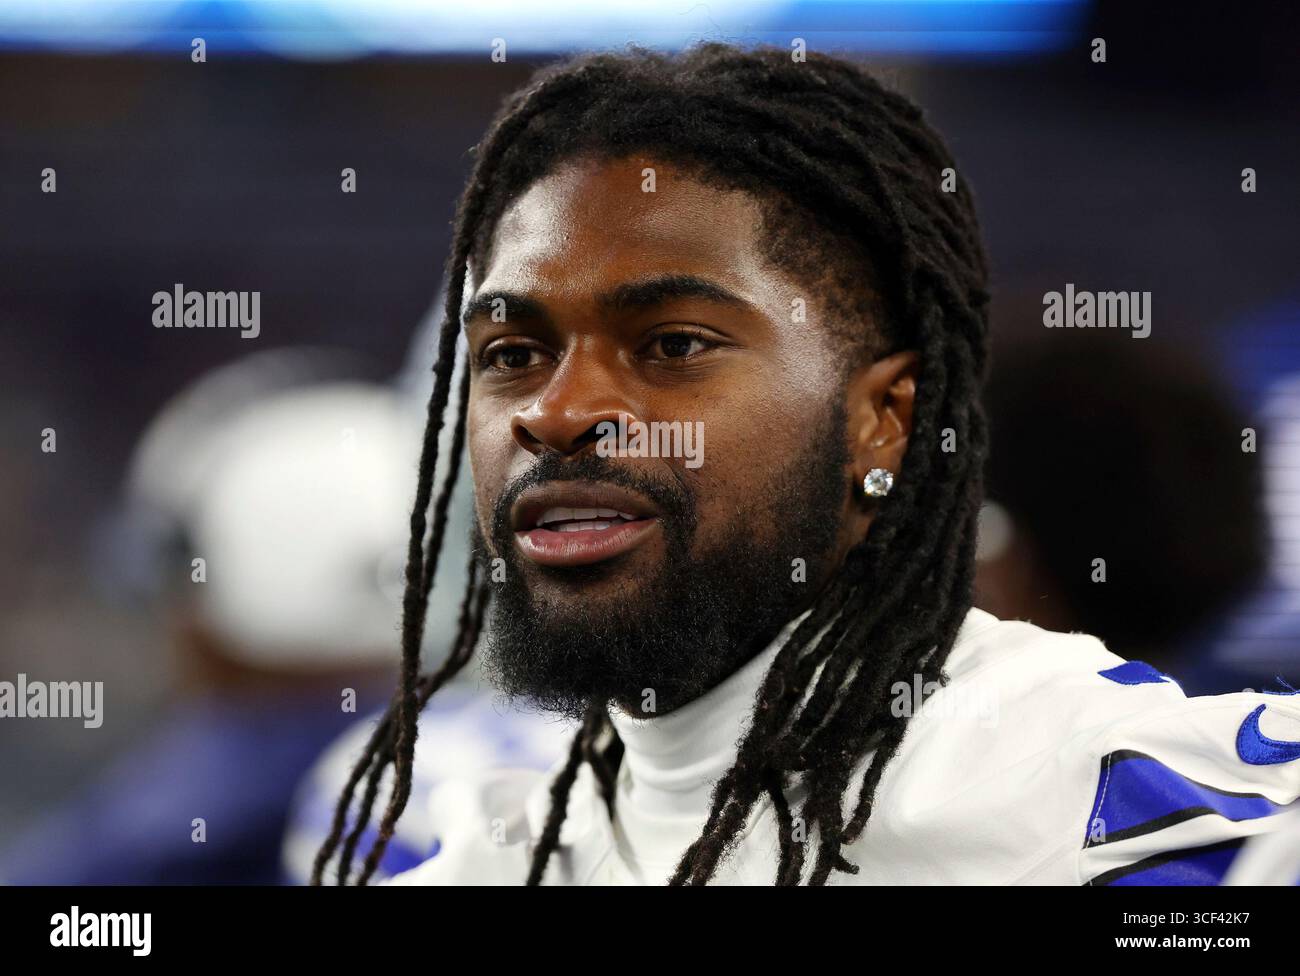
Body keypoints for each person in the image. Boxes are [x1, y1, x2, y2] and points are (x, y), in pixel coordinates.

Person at [311, 44, 1300, 886]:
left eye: (673, 345)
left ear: (883, 421)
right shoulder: (475, 859)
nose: (558, 413)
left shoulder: (1130, 812)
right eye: (512, 356)